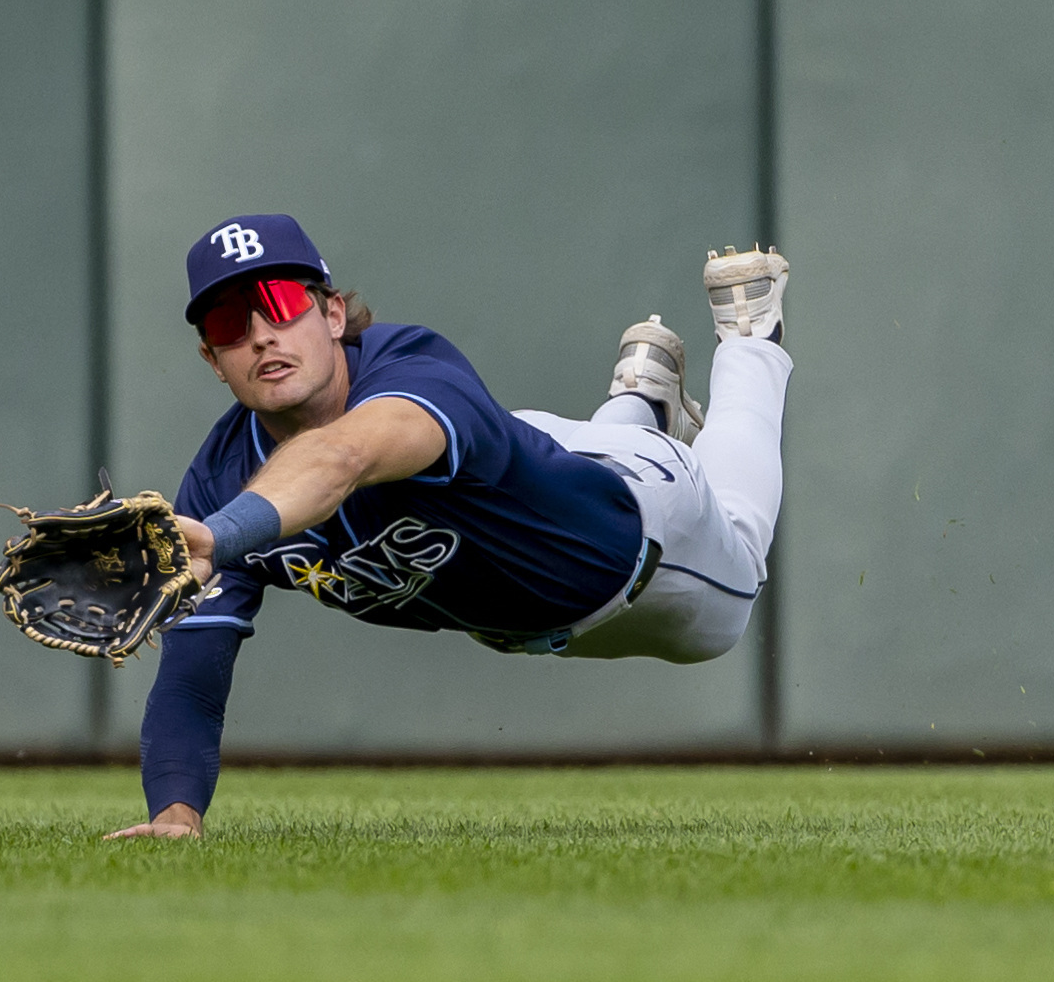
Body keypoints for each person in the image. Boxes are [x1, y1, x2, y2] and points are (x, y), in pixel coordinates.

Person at [103, 214, 792, 840]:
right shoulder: (221, 479)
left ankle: (750, 338)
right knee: (541, 463)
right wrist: (175, 812)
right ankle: (639, 397)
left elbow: (343, 457)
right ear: (211, 358)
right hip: (542, 468)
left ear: (334, 313)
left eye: (282, 302)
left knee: (741, 547)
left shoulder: (413, 373)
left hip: (647, 537)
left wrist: (226, 534)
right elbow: (193, 676)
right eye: (228, 322)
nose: (260, 333)